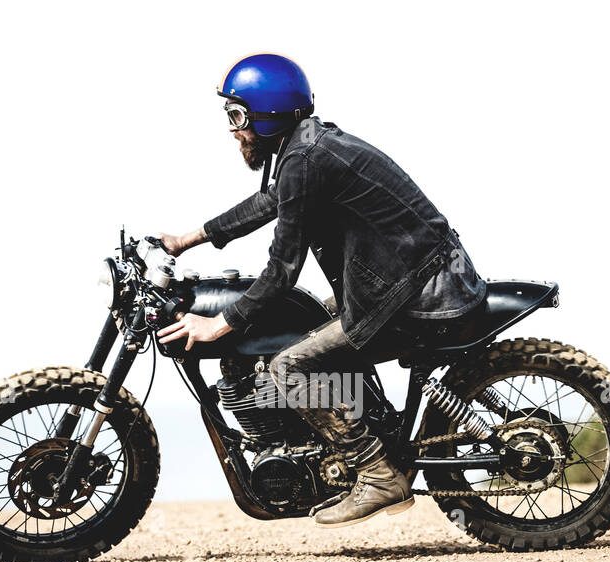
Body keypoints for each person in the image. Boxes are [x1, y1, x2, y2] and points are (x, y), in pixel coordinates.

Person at [156, 53, 486, 527]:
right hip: (406, 279)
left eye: (238, 116)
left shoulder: (305, 160)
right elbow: (270, 202)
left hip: (416, 293)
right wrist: (189, 238)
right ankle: (359, 428)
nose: (233, 130)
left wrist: (219, 323)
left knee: (287, 366)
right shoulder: (305, 150)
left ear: (267, 117)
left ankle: (376, 471)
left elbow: (281, 271)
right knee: (306, 321)